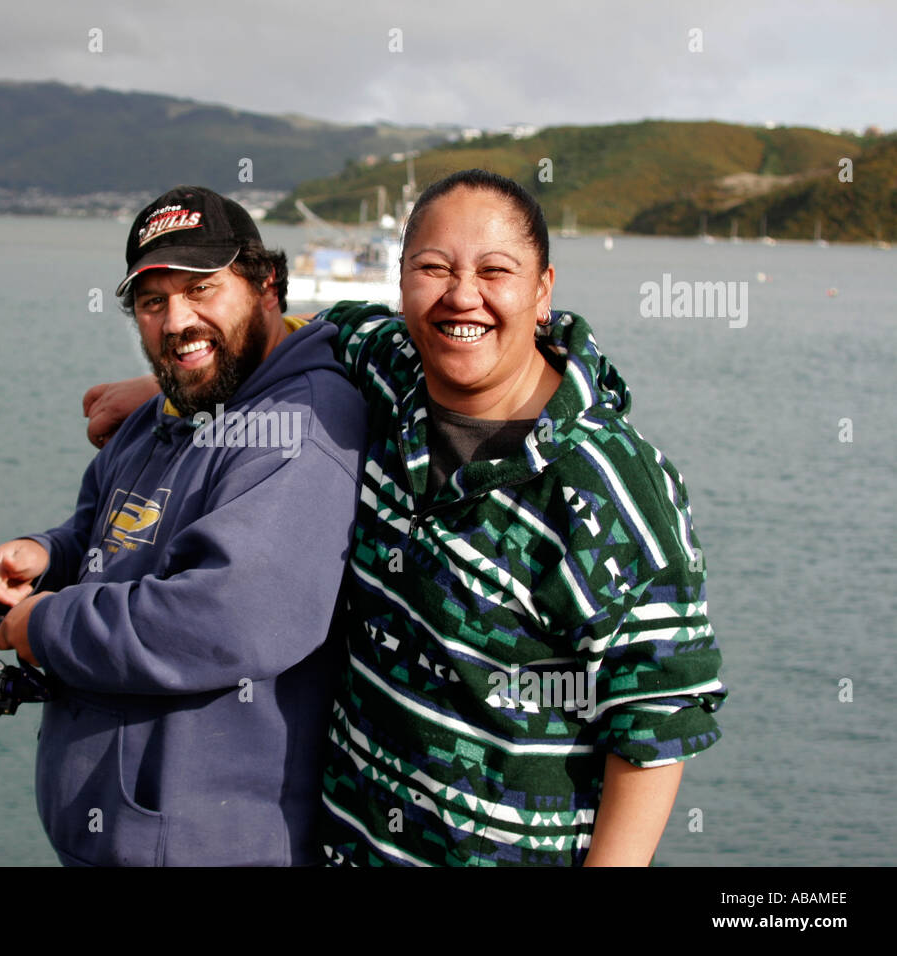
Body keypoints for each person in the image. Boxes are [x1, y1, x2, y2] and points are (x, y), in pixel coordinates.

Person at [82, 169, 726, 866]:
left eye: (495, 271)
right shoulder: (391, 368)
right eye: (433, 268)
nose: (462, 296)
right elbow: (290, 338)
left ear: (543, 289)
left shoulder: (608, 485)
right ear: (402, 280)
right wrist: (161, 389)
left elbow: (658, 719)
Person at [0, 185, 366, 866]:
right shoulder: (178, 402)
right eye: (154, 302)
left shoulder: (300, 426)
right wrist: (47, 557)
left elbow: (229, 616)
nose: (177, 321)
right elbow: (109, 532)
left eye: (202, 290)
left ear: (266, 284)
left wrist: (46, 626)